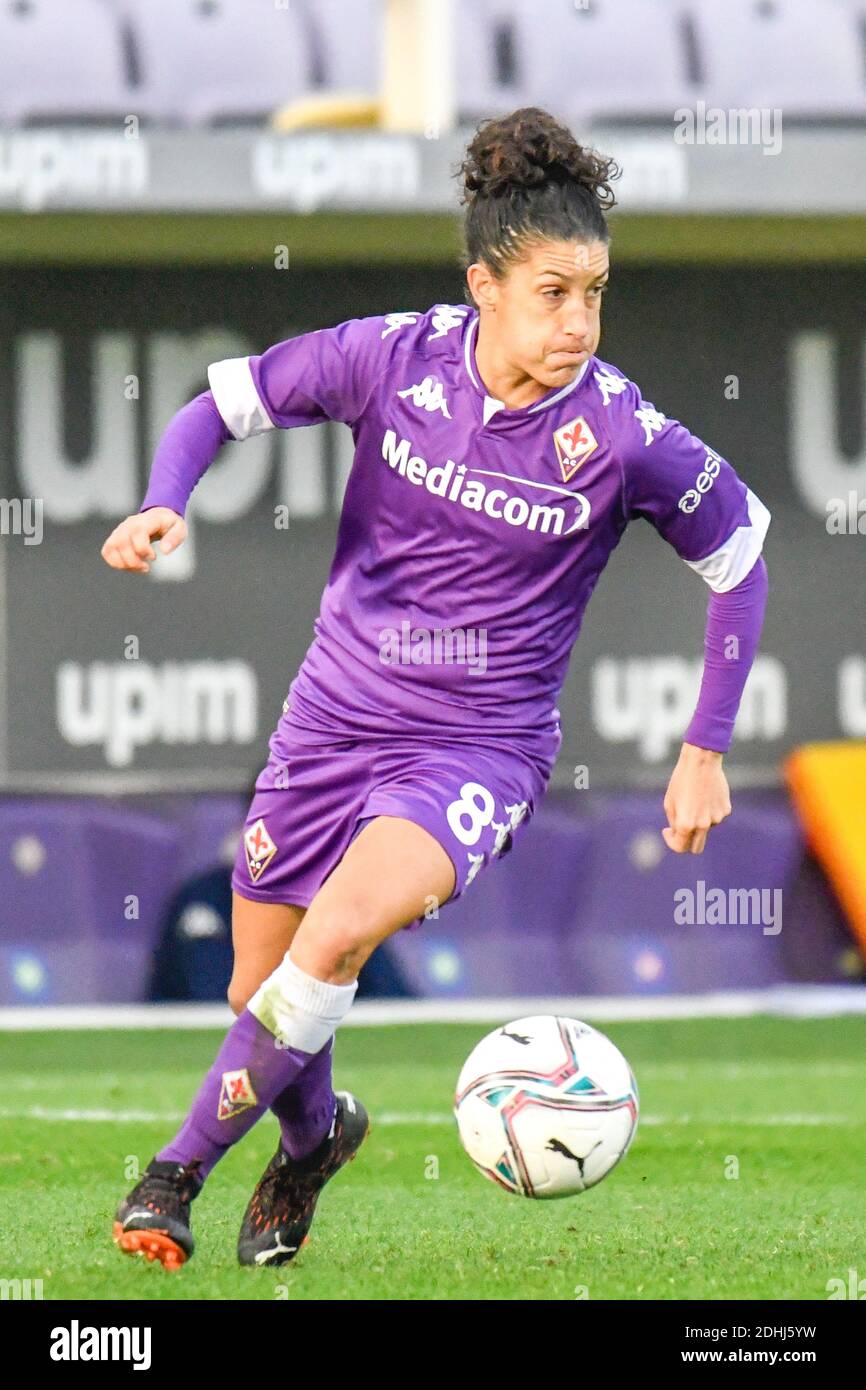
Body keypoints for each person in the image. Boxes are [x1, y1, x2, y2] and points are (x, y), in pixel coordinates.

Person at [101, 107, 770, 1269]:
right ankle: (314, 1139)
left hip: (476, 748)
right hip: (330, 719)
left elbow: (741, 556)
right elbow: (222, 401)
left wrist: (702, 744)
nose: (578, 321)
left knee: (341, 934)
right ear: (483, 285)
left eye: (594, 293)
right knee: (258, 987)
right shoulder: (389, 358)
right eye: (552, 292)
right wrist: (167, 494)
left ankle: (172, 1178)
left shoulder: (620, 434)